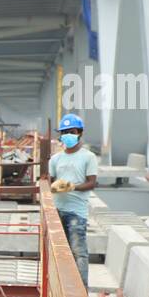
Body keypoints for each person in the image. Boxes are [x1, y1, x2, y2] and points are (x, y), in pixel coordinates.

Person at [48, 113, 98, 282]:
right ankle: (62, 285)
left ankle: (81, 290)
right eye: (64, 132)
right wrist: (53, 187)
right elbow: (51, 182)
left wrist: (72, 187)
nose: (67, 135)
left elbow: (92, 183)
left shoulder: (88, 157)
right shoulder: (55, 159)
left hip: (76, 212)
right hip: (58, 210)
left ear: (79, 133)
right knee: (59, 252)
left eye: (71, 131)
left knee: (79, 253)